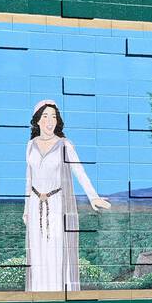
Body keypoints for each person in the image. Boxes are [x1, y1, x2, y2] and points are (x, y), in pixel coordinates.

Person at [24, 100, 110, 291]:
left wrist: (93, 197)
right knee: (38, 253)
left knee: (55, 253)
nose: (49, 120)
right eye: (45, 116)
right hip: (35, 205)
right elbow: (28, 180)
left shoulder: (64, 145)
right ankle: (38, 295)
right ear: (37, 120)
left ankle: (56, 296)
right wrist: (25, 210)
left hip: (56, 207)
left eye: (53, 116)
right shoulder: (30, 145)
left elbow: (79, 171)